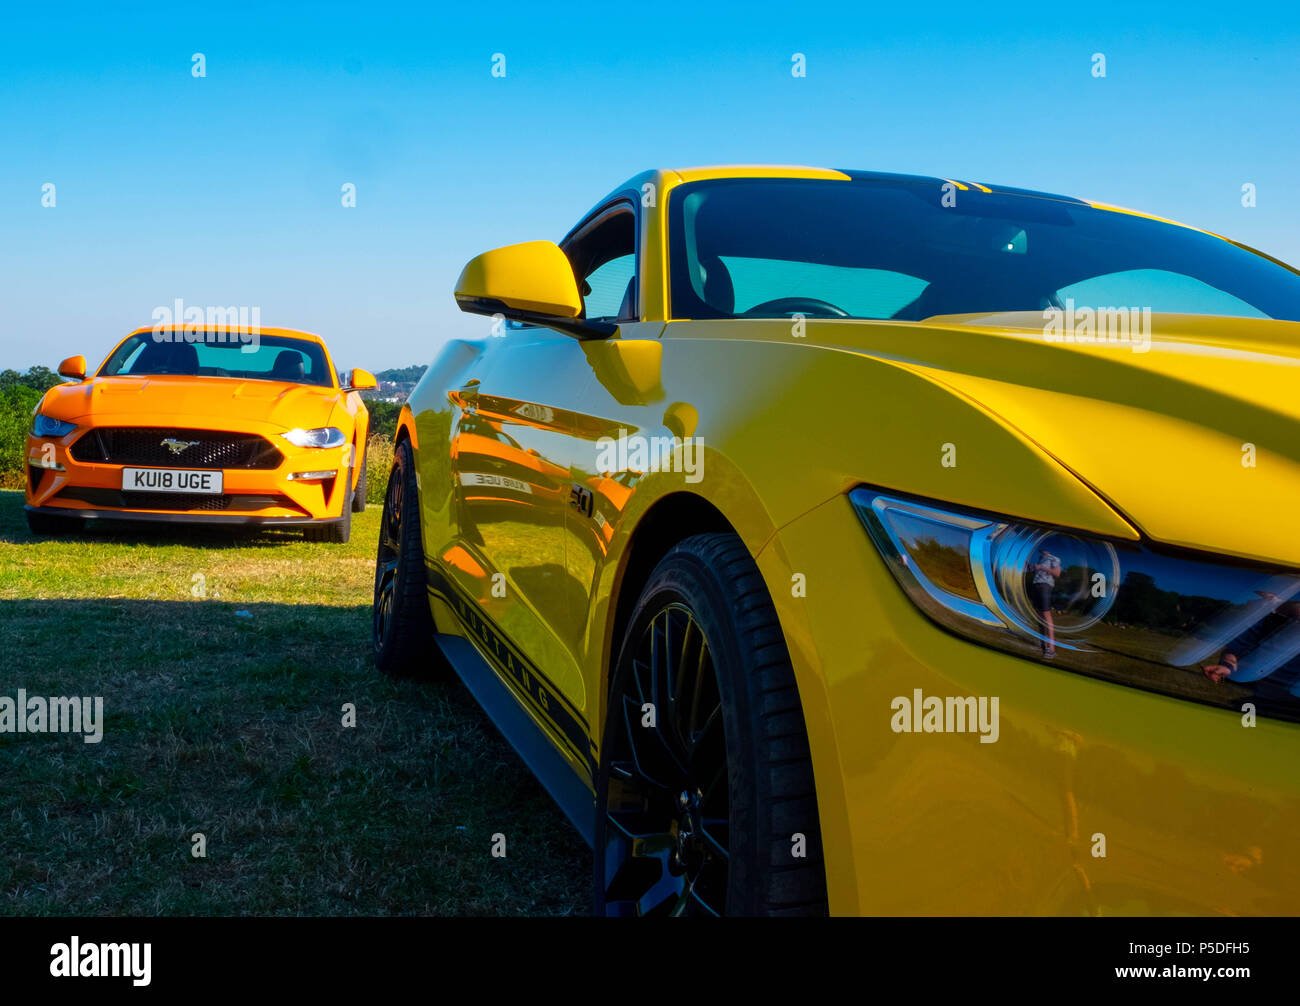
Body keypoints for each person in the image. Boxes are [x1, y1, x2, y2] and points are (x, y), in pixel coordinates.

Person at [1030, 548, 1062, 658]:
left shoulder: (1054, 558)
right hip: (1036, 585)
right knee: (1039, 615)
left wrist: (1041, 567)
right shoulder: (1040, 558)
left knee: (1046, 615)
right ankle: (1043, 644)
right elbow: (1035, 571)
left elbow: (1057, 573)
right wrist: (1031, 567)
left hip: (1045, 586)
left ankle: (1051, 648)